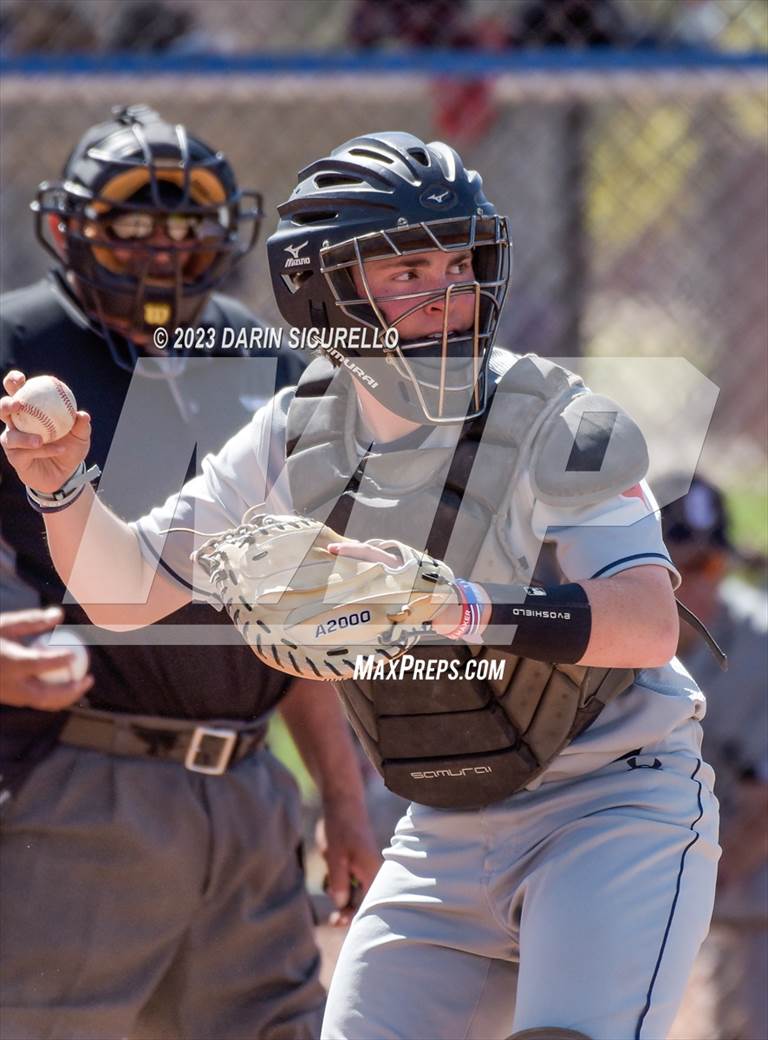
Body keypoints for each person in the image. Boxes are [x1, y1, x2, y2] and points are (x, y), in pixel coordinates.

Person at [1, 131, 719, 1040]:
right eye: (409, 269)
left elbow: (646, 622)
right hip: (449, 819)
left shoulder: (562, 418)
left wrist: (450, 605)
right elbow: (126, 589)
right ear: (322, 285)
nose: (449, 291)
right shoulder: (292, 432)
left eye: (461, 261)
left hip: (611, 800)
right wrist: (61, 483)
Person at [0, 105, 378, 1040]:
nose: (165, 251)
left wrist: (342, 797)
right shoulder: (16, 351)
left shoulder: (275, 366)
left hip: (249, 791)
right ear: (69, 228)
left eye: (189, 227)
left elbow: (298, 611)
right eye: (135, 224)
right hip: (83, 775)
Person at [662, 476, 767, 1040]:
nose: (701, 586)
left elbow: (765, 803)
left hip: (741, 849)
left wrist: (704, 884)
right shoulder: (593, 629)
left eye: (713, 567)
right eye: (684, 567)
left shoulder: (758, 645)